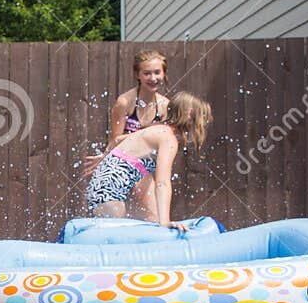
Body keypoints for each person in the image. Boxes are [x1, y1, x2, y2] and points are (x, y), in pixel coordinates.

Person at [83, 92, 212, 228]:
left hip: (100, 186)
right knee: (115, 234)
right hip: (110, 191)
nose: (203, 124)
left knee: (131, 226)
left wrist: (106, 158)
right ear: (190, 114)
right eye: (202, 118)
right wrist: (165, 222)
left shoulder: (156, 129)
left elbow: (117, 140)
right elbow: (162, 183)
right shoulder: (169, 139)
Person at [79, 49, 171, 220]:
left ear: (164, 73)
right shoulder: (125, 103)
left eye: (157, 72)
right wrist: (105, 157)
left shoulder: (165, 106)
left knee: (154, 217)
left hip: (144, 168)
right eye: (147, 73)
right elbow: (115, 140)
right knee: (116, 215)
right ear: (137, 75)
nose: (153, 78)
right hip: (123, 164)